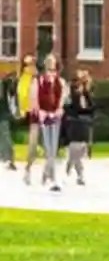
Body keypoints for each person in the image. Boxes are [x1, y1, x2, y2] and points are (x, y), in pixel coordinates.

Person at [30, 54, 65, 191]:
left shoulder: (59, 81)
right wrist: (40, 112)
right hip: (44, 117)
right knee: (48, 148)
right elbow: (34, 98)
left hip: (55, 117)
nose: (51, 71)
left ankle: (49, 176)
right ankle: (51, 177)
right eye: (49, 67)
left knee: (53, 149)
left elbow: (61, 98)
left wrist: (59, 110)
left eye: (53, 67)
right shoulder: (39, 81)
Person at [63, 69, 95, 186]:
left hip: (85, 124)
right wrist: (82, 111)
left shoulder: (87, 94)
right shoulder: (71, 93)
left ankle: (70, 165)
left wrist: (86, 111)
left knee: (80, 151)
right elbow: (69, 108)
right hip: (74, 124)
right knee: (75, 149)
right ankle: (79, 175)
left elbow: (92, 108)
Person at [16, 54, 37, 183]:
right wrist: (24, 110)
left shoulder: (38, 79)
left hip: (45, 115)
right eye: (28, 64)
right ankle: (28, 170)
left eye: (32, 64)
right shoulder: (24, 80)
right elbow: (23, 96)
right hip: (33, 115)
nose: (31, 67)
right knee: (33, 144)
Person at [0, 69, 16, 170]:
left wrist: (9, 78)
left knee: (5, 136)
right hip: (3, 113)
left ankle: (10, 159)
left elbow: (12, 92)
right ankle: (4, 157)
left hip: (4, 114)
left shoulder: (6, 83)